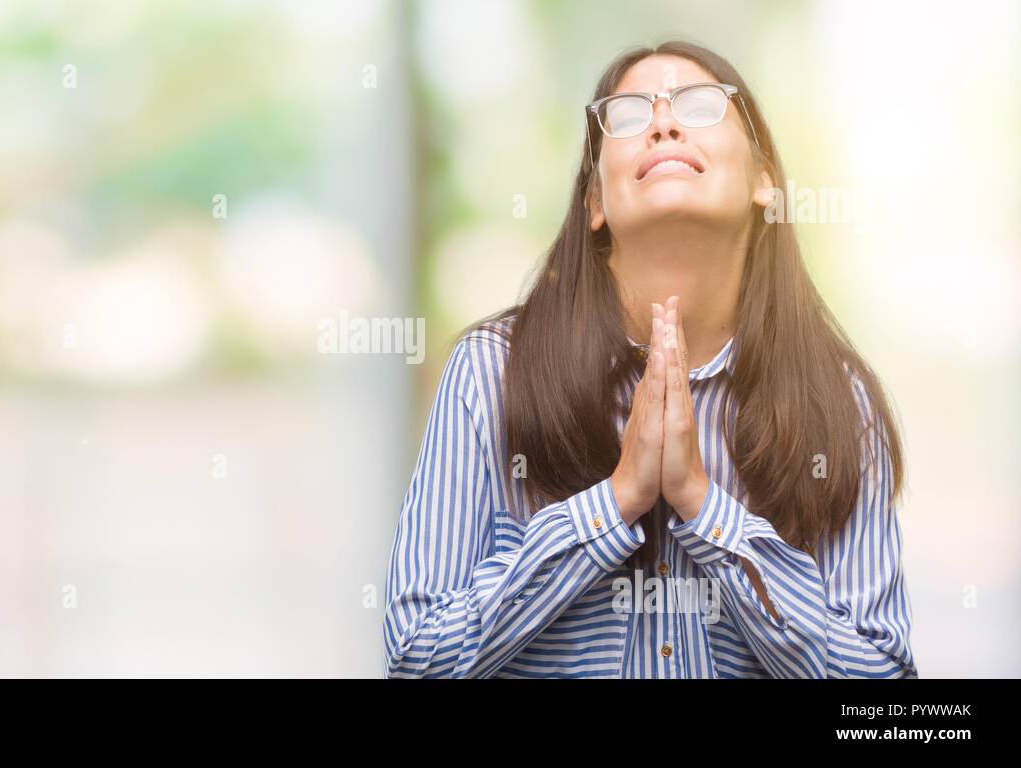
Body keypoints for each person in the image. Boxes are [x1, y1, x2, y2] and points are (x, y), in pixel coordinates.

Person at [381, 41, 917, 678]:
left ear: (765, 180)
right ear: (596, 204)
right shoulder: (490, 375)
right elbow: (415, 657)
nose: (662, 122)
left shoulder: (837, 399)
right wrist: (611, 505)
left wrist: (703, 506)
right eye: (630, 115)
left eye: (698, 105)